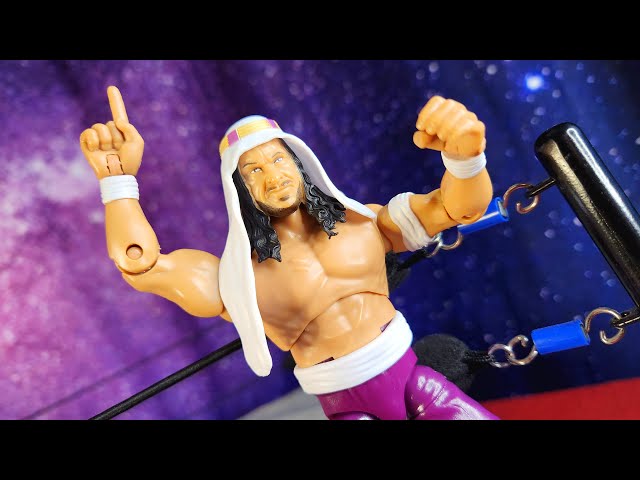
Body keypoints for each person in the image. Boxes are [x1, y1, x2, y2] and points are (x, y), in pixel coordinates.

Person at [80, 86, 498, 420]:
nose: (273, 176)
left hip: (416, 382)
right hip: (348, 405)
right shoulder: (241, 279)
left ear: (300, 163)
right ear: (239, 189)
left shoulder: (365, 224)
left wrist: (465, 160)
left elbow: (456, 207)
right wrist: (118, 183)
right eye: (254, 171)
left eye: (279, 160)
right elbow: (141, 264)